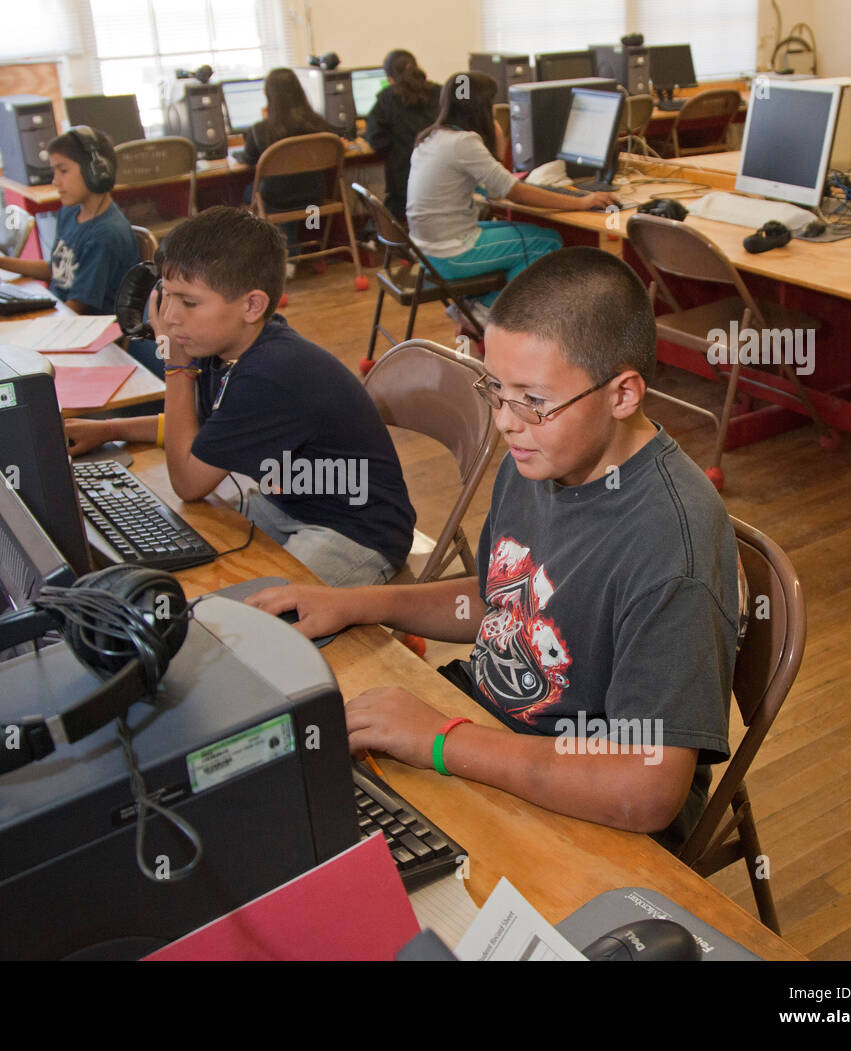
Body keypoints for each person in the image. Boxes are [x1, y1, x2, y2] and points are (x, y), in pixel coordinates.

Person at [245, 247, 738, 851]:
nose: (505, 421)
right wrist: (357, 603)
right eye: (495, 390)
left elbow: (647, 790)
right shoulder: (539, 457)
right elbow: (500, 598)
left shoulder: (670, 547)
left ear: (624, 393)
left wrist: (442, 740)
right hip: (490, 729)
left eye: (531, 398)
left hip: (593, 801)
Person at [63, 205, 417, 588]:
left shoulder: (268, 375)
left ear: (252, 305)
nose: (171, 317)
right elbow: (204, 429)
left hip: (356, 532)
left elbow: (189, 481)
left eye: (189, 302)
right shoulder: (228, 346)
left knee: (255, 614)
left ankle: (378, 623)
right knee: (189, 553)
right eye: (167, 297)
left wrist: (176, 368)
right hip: (289, 502)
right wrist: (111, 429)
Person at [406, 72, 619, 328]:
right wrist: (582, 201)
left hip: (426, 251)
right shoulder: (463, 143)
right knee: (546, 241)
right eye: (491, 104)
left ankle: (472, 306)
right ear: (481, 107)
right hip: (450, 256)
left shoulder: (432, 137)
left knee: (523, 234)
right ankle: (494, 317)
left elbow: (492, 187)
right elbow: (513, 191)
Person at [0, 127, 139, 315]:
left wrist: (34, 321)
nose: (55, 181)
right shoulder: (70, 212)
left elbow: (76, 308)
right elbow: (55, 270)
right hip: (61, 313)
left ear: (95, 173)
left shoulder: (105, 235)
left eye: (63, 171)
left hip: (83, 329)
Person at [239, 67, 347, 260]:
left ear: (268, 96)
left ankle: (285, 256)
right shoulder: (318, 124)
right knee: (297, 195)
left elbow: (248, 159)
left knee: (250, 192)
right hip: (314, 196)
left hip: (276, 199)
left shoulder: (260, 129)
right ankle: (312, 250)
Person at [364, 50, 441, 223]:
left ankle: (375, 235)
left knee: (392, 207)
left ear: (390, 78)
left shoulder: (386, 99)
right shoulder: (439, 92)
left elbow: (378, 141)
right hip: (441, 176)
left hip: (406, 182)